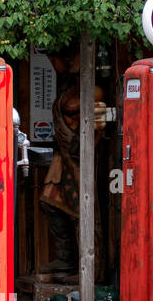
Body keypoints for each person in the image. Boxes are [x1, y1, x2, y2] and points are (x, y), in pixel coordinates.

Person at [39, 72, 106, 279]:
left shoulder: (93, 89)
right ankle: (67, 258)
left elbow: (96, 122)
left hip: (80, 155)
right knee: (49, 201)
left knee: (79, 210)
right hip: (64, 154)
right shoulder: (67, 86)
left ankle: (89, 266)